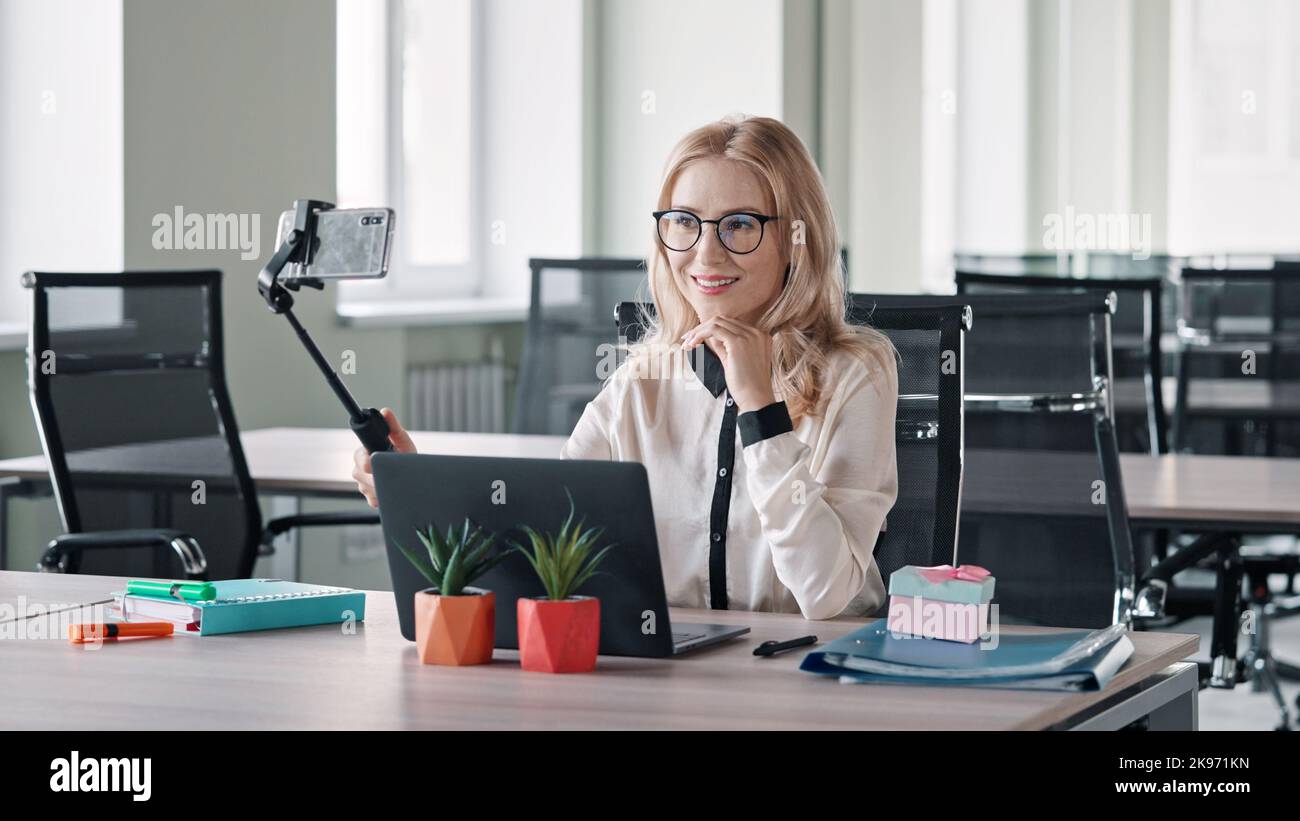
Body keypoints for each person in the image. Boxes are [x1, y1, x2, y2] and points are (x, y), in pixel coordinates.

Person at [352, 115, 898, 620]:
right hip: (668, 674)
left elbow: (830, 596)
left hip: (805, 680)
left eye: (739, 225)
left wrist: (762, 414)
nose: (706, 254)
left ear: (795, 241)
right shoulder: (641, 382)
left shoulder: (854, 375)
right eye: (685, 223)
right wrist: (414, 488)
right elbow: (539, 539)